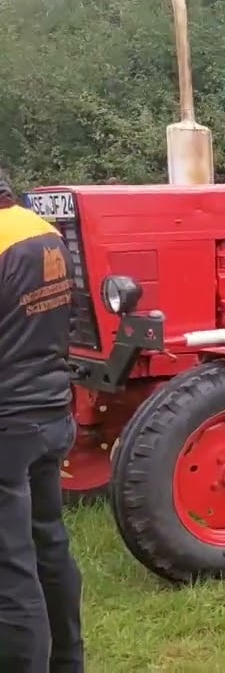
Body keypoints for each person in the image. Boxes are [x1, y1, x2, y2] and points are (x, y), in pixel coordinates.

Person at [0, 169, 84, 672]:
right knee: (48, 543)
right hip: (51, 411)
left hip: (7, 423)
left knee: (9, 570)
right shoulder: (41, 230)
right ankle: (68, 663)